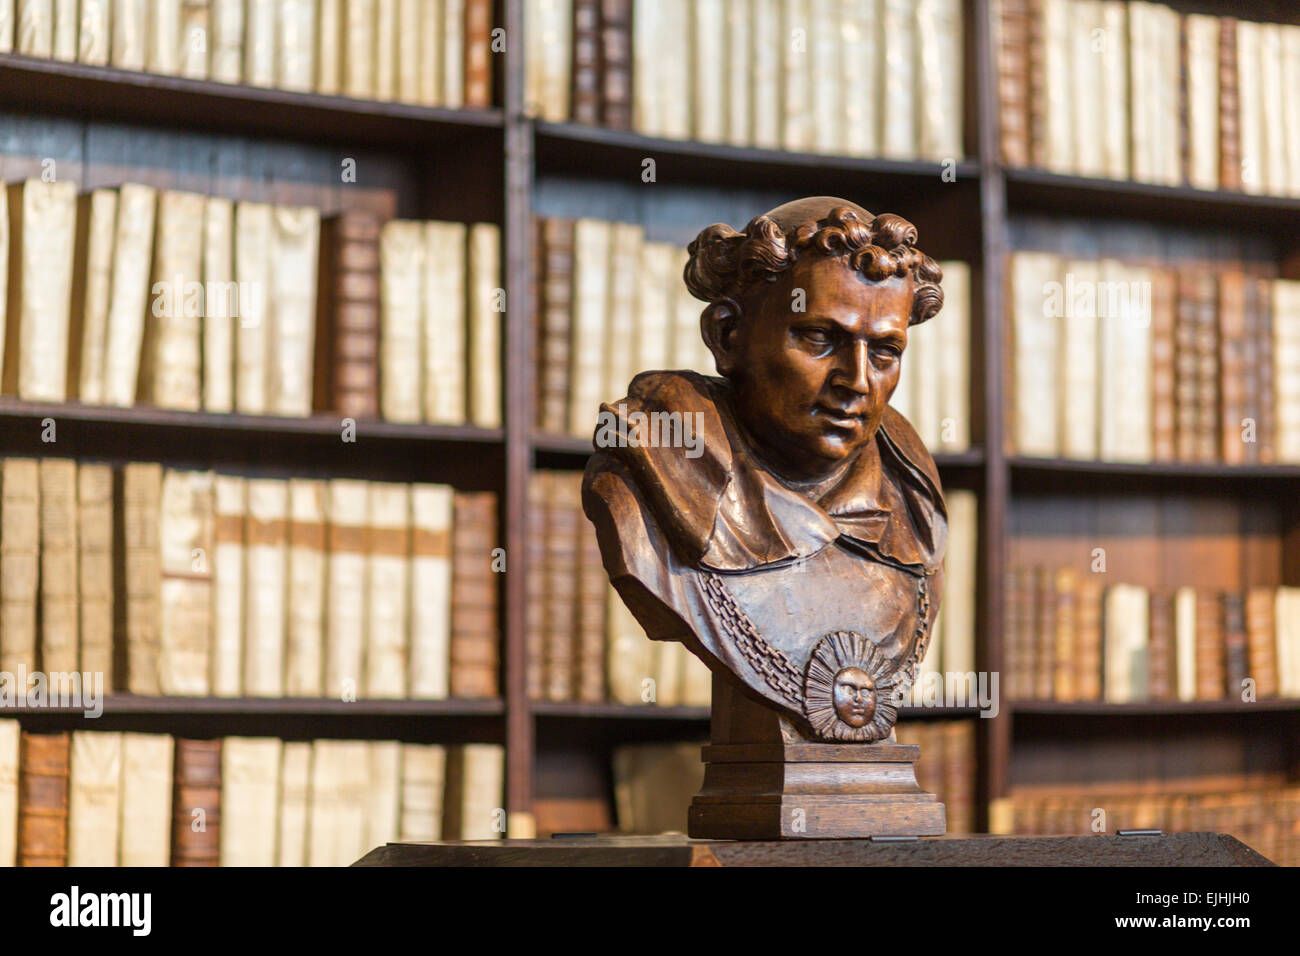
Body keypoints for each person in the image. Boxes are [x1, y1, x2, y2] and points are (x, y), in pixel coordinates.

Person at [582, 196, 948, 742]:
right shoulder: (653, 462)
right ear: (728, 337)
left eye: (885, 352)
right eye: (820, 338)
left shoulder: (914, 498)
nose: (857, 382)